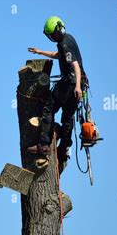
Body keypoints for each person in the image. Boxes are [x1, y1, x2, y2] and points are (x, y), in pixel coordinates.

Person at [27, 16, 88, 172]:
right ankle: (63, 149)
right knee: (67, 117)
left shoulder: (64, 43)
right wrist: (40, 52)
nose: (52, 38)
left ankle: (44, 145)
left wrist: (76, 87)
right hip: (78, 84)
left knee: (49, 107)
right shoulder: (69, 39)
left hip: (70, 84)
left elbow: (75, 65)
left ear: (56, 32)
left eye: (52, 35)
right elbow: (58, 55)